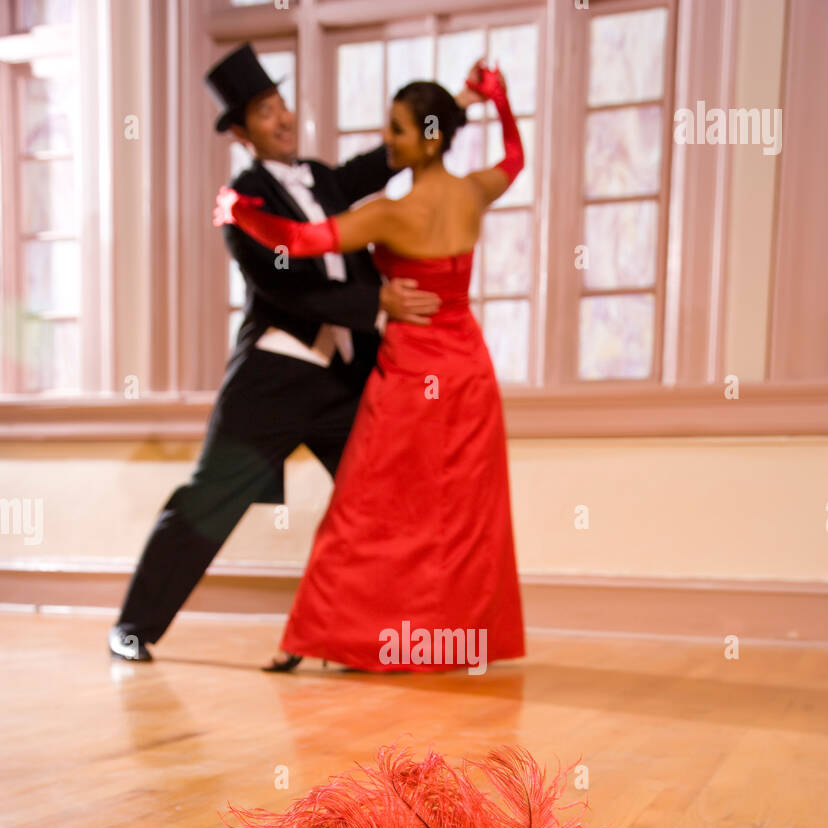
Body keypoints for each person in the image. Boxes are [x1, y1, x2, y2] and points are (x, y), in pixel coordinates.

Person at [108, 43, 441, 663]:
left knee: (378, 502)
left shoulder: (321, 177)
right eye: (264, 112)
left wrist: (447, 113)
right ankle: (133, 626)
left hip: (344, 382)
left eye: (281, 103)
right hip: (274, 379)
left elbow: (376, 167)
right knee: (209, 502)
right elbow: (286, 285)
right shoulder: (242, 203)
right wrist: (377, 307)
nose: (282, 117)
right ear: (241, 132)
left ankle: (338, 635)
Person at [213, 62, 526, 675]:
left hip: (412, 372)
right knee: (459, 516)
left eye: (398, 132)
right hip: (468, 370)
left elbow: (301, 242)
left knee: (366, 506)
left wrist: (238, 211)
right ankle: (442, 642)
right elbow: (515, 158)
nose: (389, 144)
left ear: (429, 139)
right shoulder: (475, 191)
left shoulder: (390, 213)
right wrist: (500, 101)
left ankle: (322, 634)